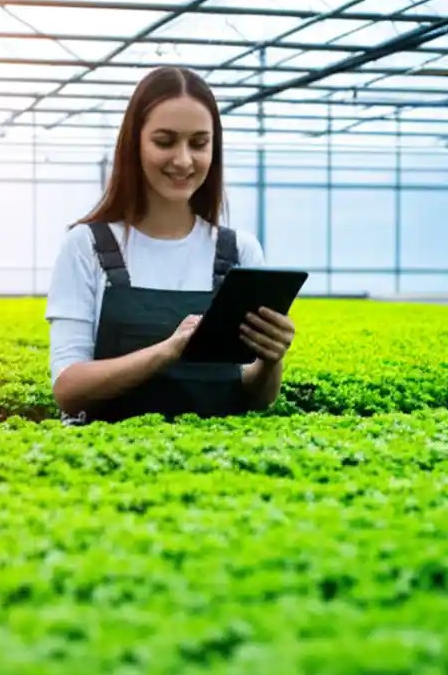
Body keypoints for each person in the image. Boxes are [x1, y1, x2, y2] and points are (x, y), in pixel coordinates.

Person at [44, 66, 298, 425]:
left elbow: (255, 397)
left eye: (199, 143)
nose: (183, 160)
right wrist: (166, 352)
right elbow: (68, 387)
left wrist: (271, 359)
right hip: (109, 475)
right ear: (135, 143)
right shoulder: (86, 246)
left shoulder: (240, 251)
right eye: (164, 141)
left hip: (219, 472)